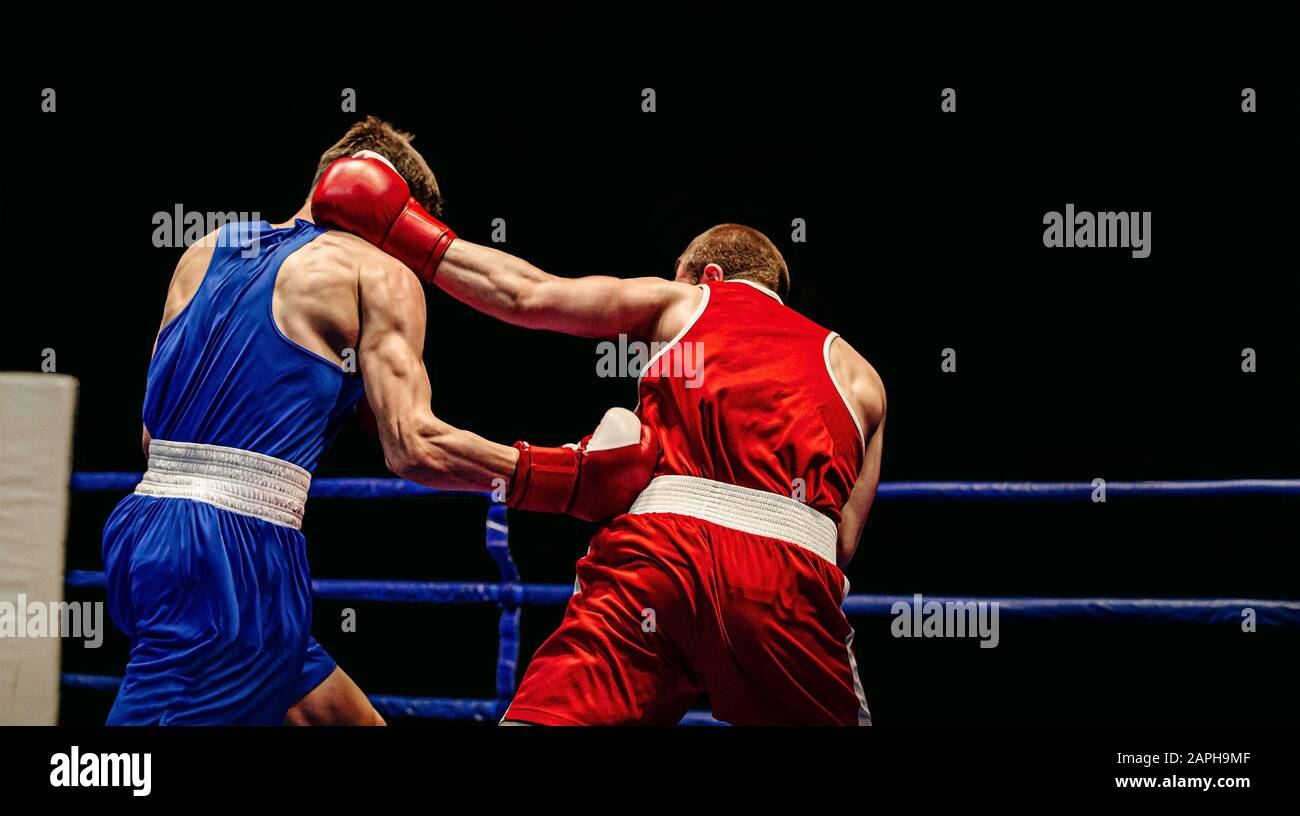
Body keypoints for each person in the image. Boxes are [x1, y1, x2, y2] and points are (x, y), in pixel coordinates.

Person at [102, 119, 656, 726]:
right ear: (391, 211)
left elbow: (153, 435)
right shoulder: (375, 271)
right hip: (232, 555)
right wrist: (563, 481)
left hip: (143, 531)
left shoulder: (206, 247)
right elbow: (413, 447)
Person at [313, 157, 886, 724]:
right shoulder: (863, 377)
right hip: (789, 585)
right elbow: (843, 542)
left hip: (663, 559)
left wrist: (402, 228)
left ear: (703, 275)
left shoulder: (686, 301)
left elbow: (526, 295)